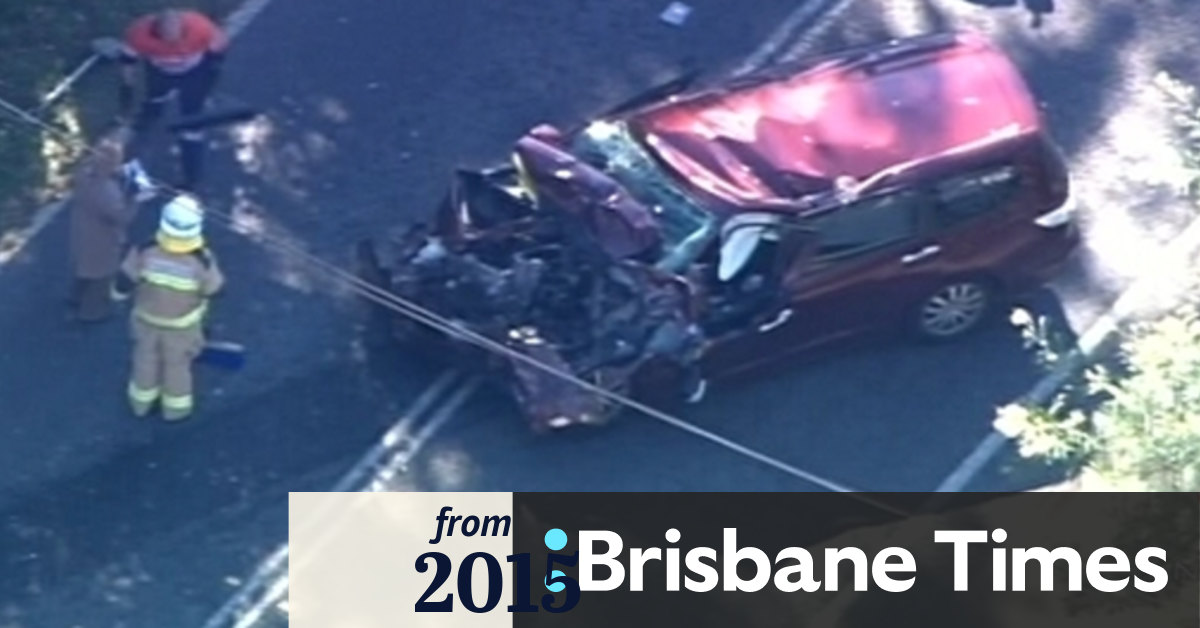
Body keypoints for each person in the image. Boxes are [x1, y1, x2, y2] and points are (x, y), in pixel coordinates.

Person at [121, 193, 224, 421]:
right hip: (182, 328)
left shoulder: (146, 250)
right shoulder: (201, 261)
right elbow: (215, 290)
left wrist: (117, 295)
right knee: (177, 366)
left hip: (146, 321)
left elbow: (124, 281)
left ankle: (141, 404)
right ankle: (175, 410)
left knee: (144, 360)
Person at [117, 8, 228, 192]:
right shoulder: (139, 33)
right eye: (167, 41)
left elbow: (219, 44)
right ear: (157, 30)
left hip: (194, 75)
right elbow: (128, 59)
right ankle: (142, 128)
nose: (174, 48)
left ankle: (191, 177)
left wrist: (212, 72)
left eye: (177, 40)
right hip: (160, 75)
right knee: (153, 104)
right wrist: (127, 87)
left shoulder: (200, 27)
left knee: (192, 124)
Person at [67, 135, 138, 322]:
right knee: (100, 278)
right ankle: (91, 313)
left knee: (83, 269)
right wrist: (136, 200)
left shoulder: (83, 173)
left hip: (81, 232)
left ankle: (74, 297)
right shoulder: (106, 192)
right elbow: (122, 218)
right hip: (102, 242)